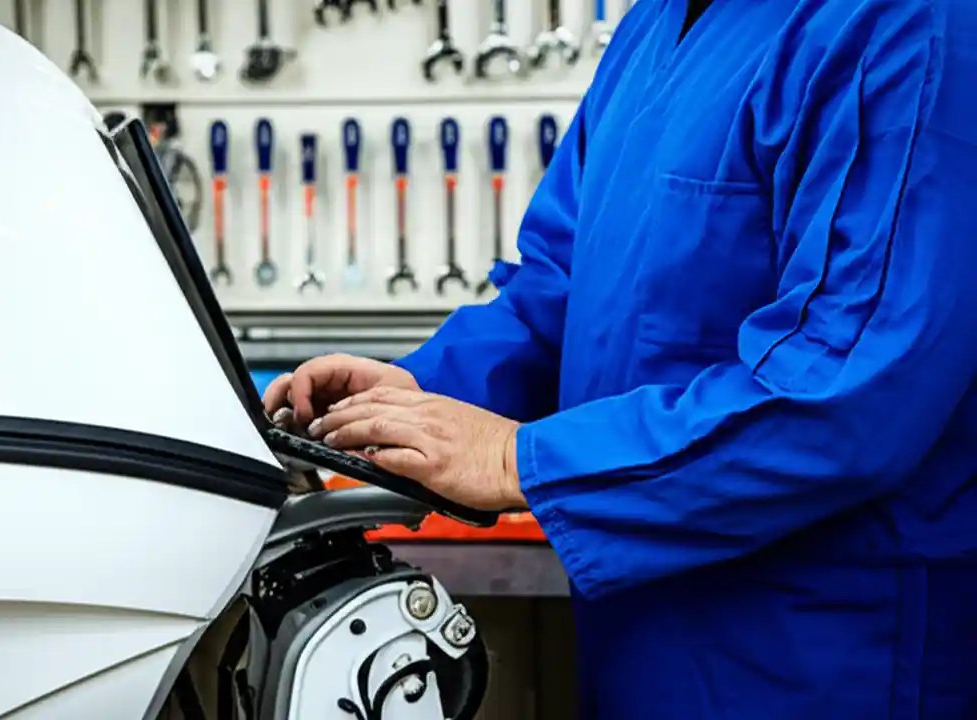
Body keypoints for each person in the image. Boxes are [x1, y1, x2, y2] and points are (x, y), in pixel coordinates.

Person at [264, 0, 977, 717]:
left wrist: (515, 460)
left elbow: (844, 394)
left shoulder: (903, 23)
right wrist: (416, 391)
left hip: (822, 652)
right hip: (642, 645)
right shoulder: (655, 24)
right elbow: (559, 289)